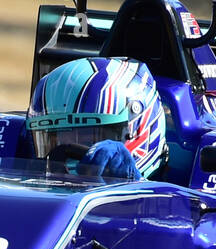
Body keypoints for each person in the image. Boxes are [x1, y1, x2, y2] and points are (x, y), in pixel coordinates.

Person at [26, 57, 167, 180]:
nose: (67, 162)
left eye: (87, 140)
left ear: (137, 131)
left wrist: (134, 183)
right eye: (56, 141)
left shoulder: (175, 193)